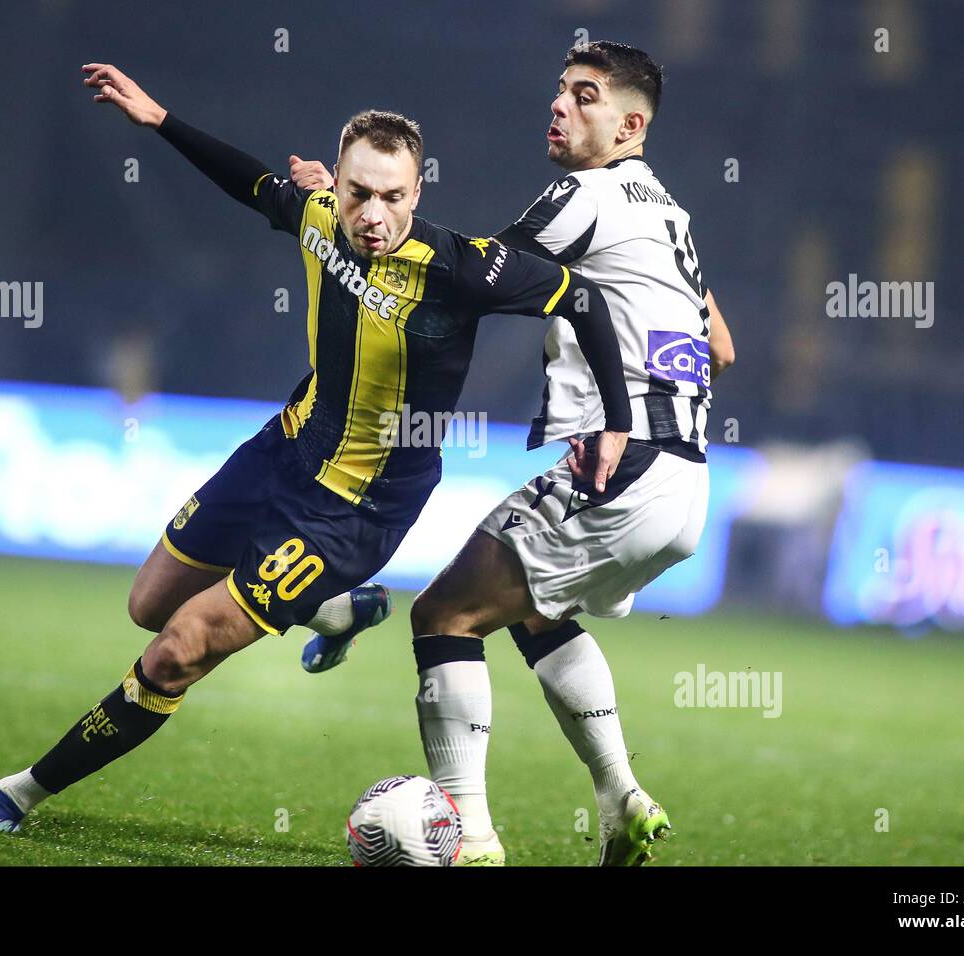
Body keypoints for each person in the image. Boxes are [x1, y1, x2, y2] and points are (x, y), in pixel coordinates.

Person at [0, 61, 633, 834]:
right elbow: (250, 182)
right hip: (281, 451)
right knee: (148, 604)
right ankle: (334, 611)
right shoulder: (319, 214)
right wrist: (160, 120)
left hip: (356, 510)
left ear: (417, 192)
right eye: (358, 193)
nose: (371, 214)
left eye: (392, 197)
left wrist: (614, 418)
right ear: (341, 184)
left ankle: (17, 796)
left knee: (177, 649)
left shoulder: (460, 269)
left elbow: (584, 298)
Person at [294, 41, 735, 866]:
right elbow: (724, 347)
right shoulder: (671, 216)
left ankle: (471, 837)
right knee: (537, 609)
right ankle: (621, 798)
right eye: (561, 91)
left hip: (624, 463)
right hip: (686, 482)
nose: (561, 106)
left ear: (630, 124)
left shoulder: (589, 192)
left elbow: (470, 274)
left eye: (586, 96)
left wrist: (350, 209)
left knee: (441, 616)